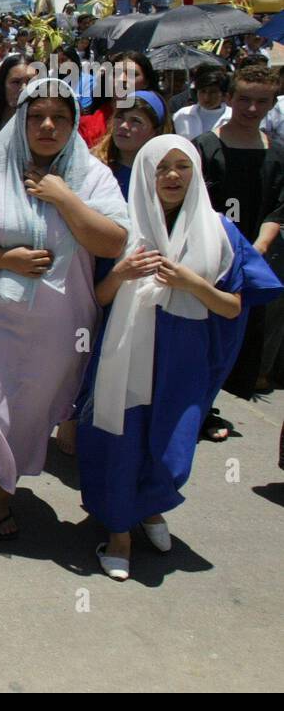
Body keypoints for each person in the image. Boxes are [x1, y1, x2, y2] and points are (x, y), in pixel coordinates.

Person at [0, 78, 129, 579]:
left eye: (60, 118)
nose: (47, 126)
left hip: (58, 323)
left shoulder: (92, 178)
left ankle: (1, 494)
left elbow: (112, 242)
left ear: (73, 125)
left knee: (27, 414)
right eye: (36, 116)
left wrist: (62, 197)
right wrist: (5, 260)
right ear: (20, 121)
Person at [78, 136, 282, 580]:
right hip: (126, 353)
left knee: (172, 447)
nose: (172, 176)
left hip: (186, 357)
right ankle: (118, 532)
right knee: (121, 441)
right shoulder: (121, 229)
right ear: (145, 174)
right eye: (161, 168)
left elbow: (234, 306)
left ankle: (150, 507)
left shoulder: (220, 233)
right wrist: (123, 274)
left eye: (181, 166)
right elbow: (92, 299)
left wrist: (193, 284)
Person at [53, 90, 171, 456]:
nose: (124, 126)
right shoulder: (93, 169)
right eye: (121, 117)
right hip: (92, 266)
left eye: (137, 121)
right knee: (81, 347)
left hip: (138, 274)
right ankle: (69, 417)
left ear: (155, 130)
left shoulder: (165, 174)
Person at [193, 64, 284, 398]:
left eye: (262, 102)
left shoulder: (276, 154)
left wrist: (258, 246)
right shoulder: (204, 148)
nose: (251, 109)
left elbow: (277, 206)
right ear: (229, 98)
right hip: (209, 254)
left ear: (272, 105)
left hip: (252, 258)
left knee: (244, 333)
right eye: (244, 99)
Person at [173, 64, 229, 139]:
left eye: (213, 92)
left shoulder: (232, 118)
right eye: (203, 91)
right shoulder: (182, 115)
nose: (206, 97)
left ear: (223, 95)